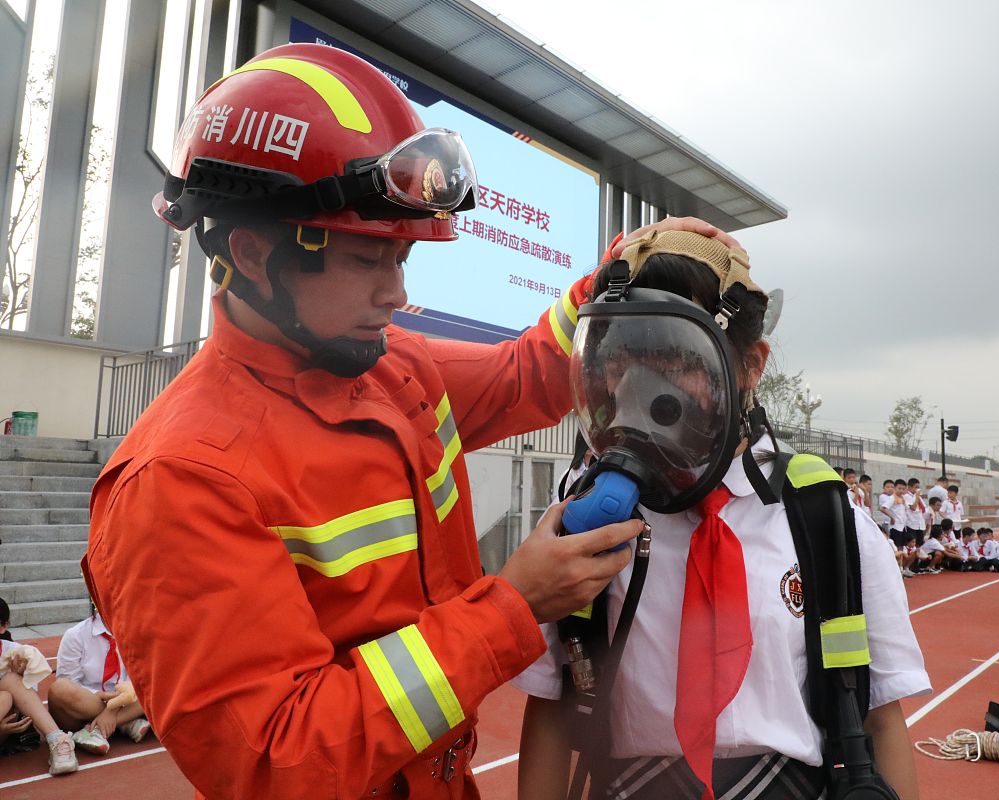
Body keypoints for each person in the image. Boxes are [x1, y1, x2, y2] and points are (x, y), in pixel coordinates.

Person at [81, 44, 712, 799]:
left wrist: (620, 269)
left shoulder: (389, 363)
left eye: (405, 256)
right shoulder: (180, 479)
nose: (396, 292)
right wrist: (513, 606)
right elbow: (275, 760)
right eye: (367, 259)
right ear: (252, 254)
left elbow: (528, 374)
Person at [514, 233, 928, 800]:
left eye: (678, 358)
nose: (641, 384)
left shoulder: (823, 516)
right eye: (625, 357)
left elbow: (881, 717)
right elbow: (553, 712)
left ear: (749, 367)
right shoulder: (584, 519)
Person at [47, 611, 152, 754]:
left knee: (158, 682)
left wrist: (112, 709)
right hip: (88, 703)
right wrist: (98, 695)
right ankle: (125, 722)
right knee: (60, 688)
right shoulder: (76, 635)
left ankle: (94, 730)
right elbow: (69, 680)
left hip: (128, 700)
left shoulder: (140, 632)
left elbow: (141, 677)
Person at [0, 637, 78, 774]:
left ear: (3, 627)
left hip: (7, 720)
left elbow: (29, 700)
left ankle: (57, 739)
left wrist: (22, 673)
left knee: (9, 687)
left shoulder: (18, 652)